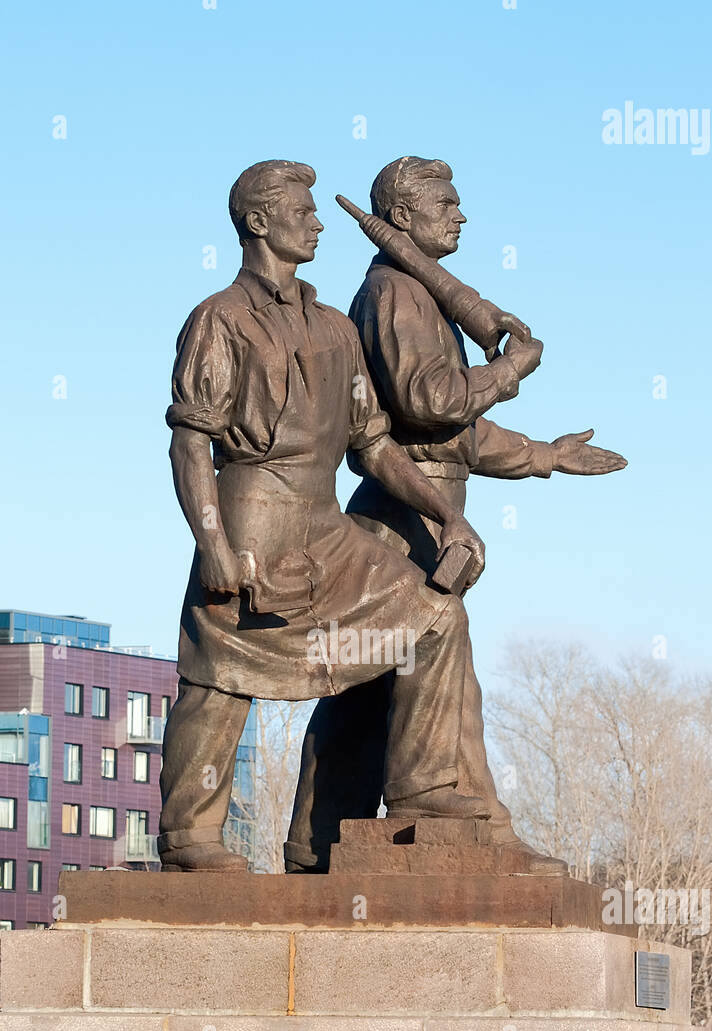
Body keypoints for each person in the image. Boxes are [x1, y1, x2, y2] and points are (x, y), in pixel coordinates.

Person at [285, 156, 627, 873]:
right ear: (402, 216)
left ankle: (320, 848)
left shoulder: (419, 295)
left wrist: (546, 455)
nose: (461, 215)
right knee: (429, 649)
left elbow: (455, 435)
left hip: (427, 509)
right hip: (399, 515)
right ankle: (433, 798)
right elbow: (429, 401)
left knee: (374, 680)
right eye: (447, 203)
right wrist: (510, 371)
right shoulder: (392, 293)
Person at [159, 159, 489, 871]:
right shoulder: (219, 318)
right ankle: (189, 838)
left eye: (314, 209)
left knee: (435, 620)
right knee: (221, 677)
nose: (315, 221)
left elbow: (374, 444)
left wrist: (446, 517)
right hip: (249, 518)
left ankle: (425, 791)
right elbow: (190, 441)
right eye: (300, 209)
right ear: (257, 222)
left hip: (325, 527)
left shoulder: (337, 328)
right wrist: (212, 542)